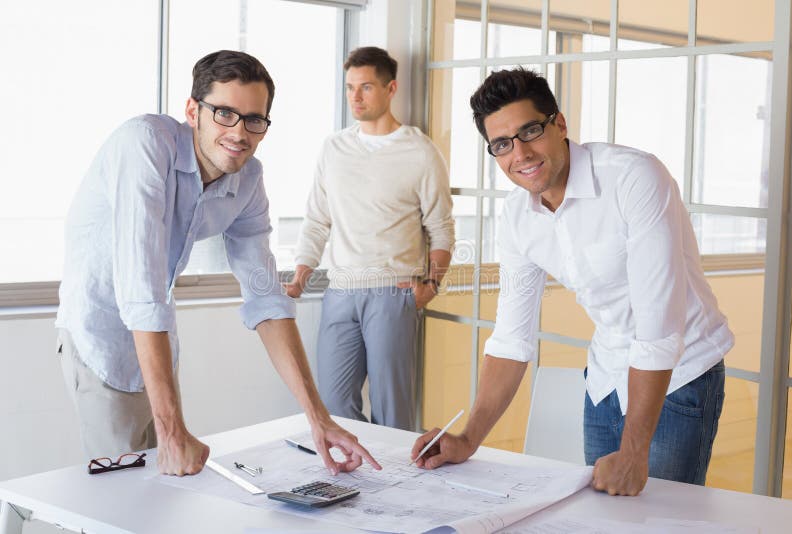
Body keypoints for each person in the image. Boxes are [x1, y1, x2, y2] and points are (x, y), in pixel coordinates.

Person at [410, 67, 734, 496]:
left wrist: (635, 452)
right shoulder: (518, 215)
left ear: (559, 124)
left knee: (659, 519)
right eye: (502, 144)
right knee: (599, 516)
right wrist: (468, 439)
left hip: (680, 373)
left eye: (530, 131)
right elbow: (511, 339)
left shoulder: (635, 177)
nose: (520, 153)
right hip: (605, 375)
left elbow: (659, 329)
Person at [56, 50, 380, 477]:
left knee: (165, 489)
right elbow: (142, 288)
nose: (240, 132)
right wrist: (172, 432)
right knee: (118, 496)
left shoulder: (248, 181)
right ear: (193, 111)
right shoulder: (145, 145)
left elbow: (267, 299)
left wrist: (318, 418)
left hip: (155, 344)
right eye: (225, 113)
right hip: (98, 336)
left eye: (254, 119)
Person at [284, 47, 455, 431]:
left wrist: (430, 285)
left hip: (393, 292)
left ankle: (397, 485)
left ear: (390, 88)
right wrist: (300, 275)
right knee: (333, 403)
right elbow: (316, 219)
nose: (355, 98)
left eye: (365, 88)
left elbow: (441, 228)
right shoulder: (334, 148)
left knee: (392, 408)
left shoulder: (420, 151)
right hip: (340, 290)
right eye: (349, 88)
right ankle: (353, 482)